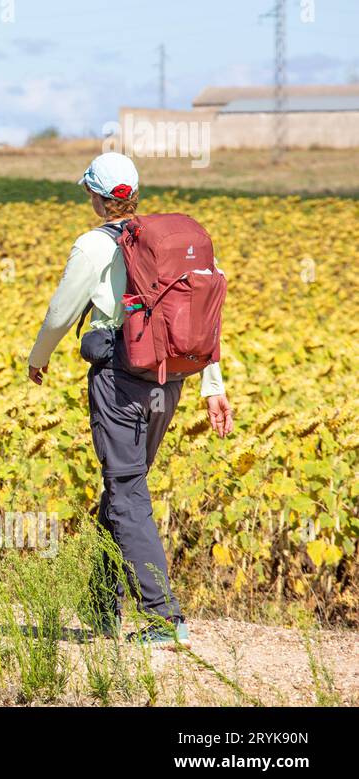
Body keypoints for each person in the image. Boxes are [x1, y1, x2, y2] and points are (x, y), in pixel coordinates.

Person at [26, 152, 235, 648]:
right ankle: (103, 605)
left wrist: (39, 356)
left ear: (98, 198)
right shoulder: (172, 244)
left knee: (126, 490)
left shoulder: (95, 246)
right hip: (170, 377)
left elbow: (61, 311)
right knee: (124, 487)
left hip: (120, 378)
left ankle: (165, 618)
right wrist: (213, 385)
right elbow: (199, 318)